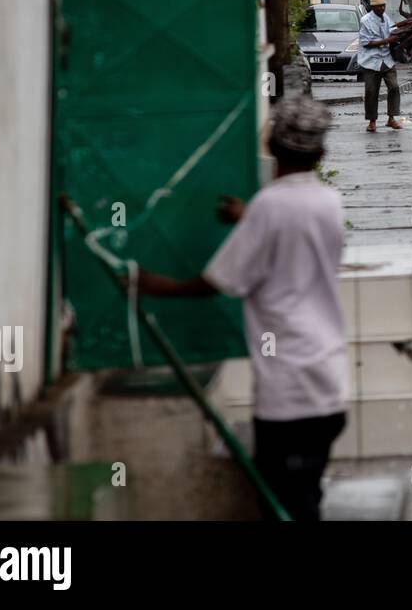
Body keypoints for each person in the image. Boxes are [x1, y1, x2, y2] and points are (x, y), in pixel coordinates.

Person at [129, 96, 347, 522]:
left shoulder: (270, 208)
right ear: (320, 153)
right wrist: (250, 219)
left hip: (289, 391)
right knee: (305, 493)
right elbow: (290, 236)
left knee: (286, 505)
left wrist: (155, 285)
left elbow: (215, 283)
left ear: (270, 144)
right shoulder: (328, 202)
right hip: (328, 382)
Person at [357, 0, 402, 132]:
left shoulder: (387, 18)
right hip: (371, 61)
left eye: (383, 6)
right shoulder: (365, 21)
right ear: (373, 7)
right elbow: (366, 43)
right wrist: (387, 41)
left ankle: (391, 118)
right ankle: (372, 121)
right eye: (379, 6)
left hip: (387, 60)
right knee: (371, 91)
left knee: (394, 87)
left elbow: (394, 32)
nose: (382, 8)